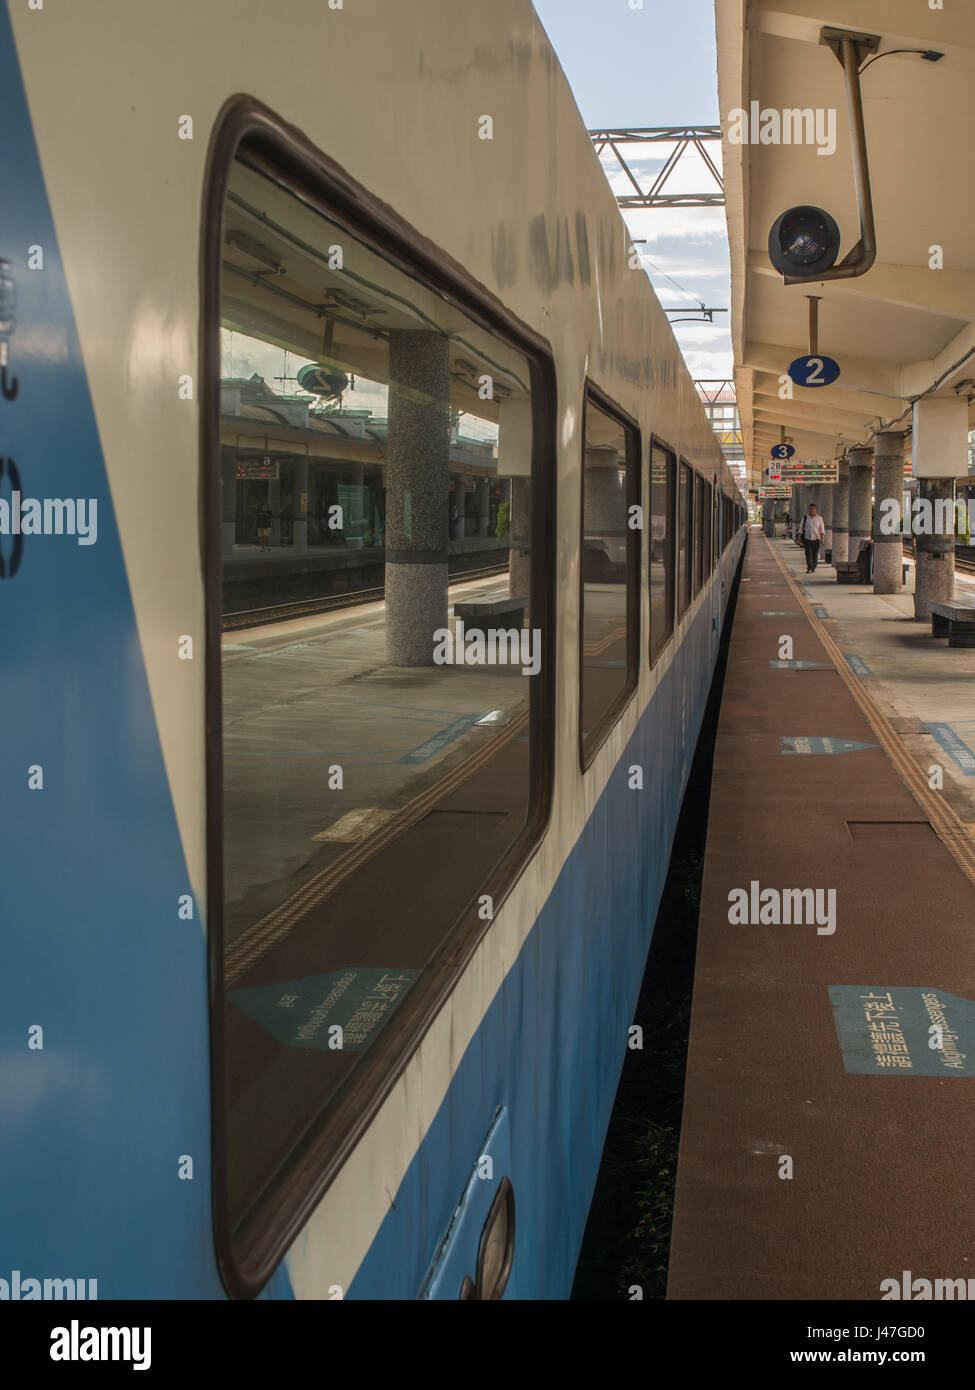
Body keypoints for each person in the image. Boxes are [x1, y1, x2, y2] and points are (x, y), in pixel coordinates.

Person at [802, 501, 825, 573]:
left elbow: (822, 529)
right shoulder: (805, 518)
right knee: (808, 554)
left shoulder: (819, 518)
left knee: (815, 554)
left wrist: (822, 538)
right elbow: (801, 527)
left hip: (816, 539)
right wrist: (799, 536)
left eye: (813, 509)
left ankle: (814, 567)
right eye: (810, 509)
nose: (811, 510)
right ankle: (809, 567)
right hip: (807, 539)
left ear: (815, 510)